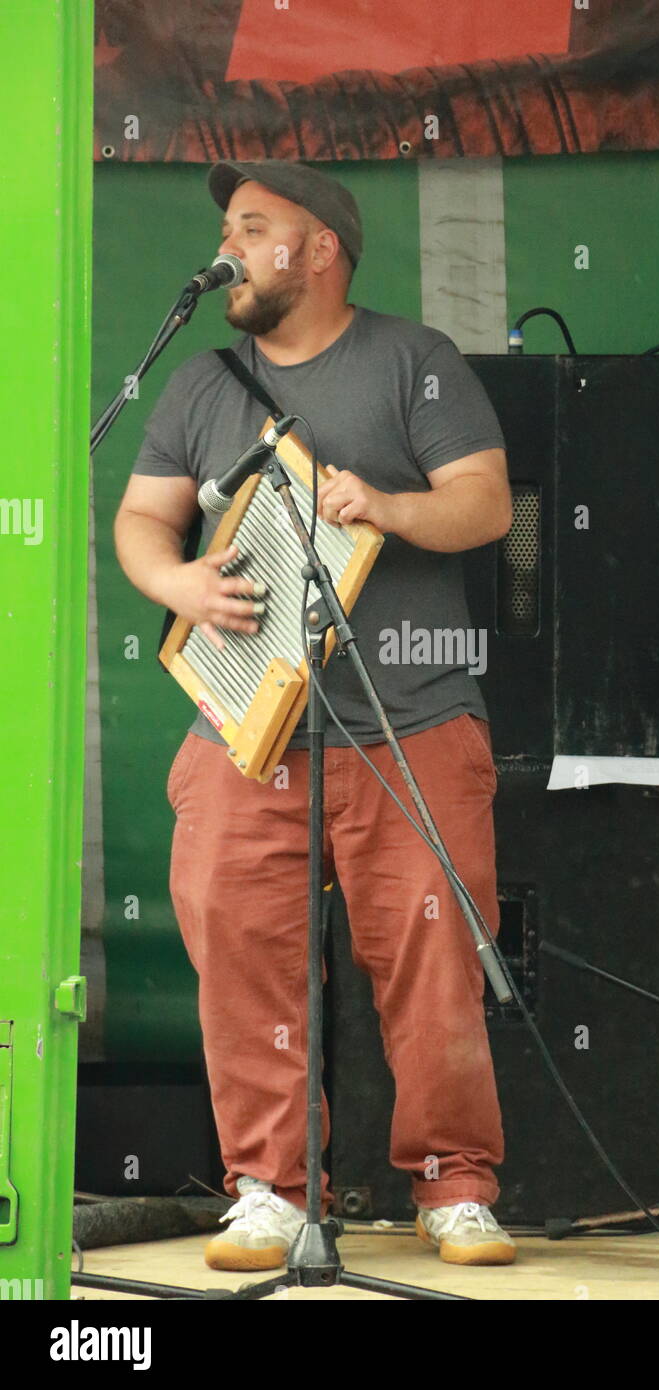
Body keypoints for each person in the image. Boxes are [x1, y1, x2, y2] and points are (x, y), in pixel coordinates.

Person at [114, 159, 516, 1270]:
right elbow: (143, 524)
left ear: (320, 248)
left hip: (410, 721)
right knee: (240, 950)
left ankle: (453, 1185)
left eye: (255, 226)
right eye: (230, 228)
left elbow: (484, 502)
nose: (229, 246)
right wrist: (182, 584)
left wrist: (382, 504)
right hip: (244, 733)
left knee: (431, 956)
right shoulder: (200, 383)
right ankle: (272, 1190)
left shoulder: (411, 361)